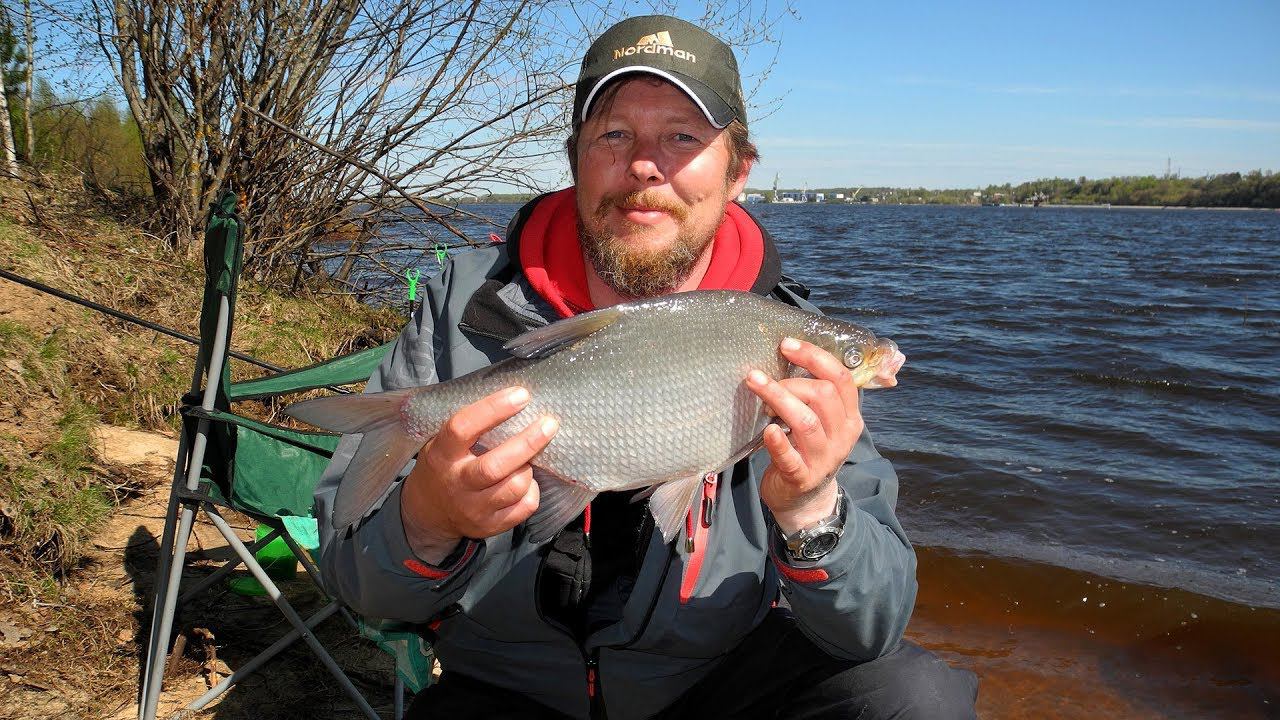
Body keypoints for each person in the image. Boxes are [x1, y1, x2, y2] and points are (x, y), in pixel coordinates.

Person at [315, 14, 977, 720]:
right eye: (614, 134)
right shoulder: (462, 309)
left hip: (717, 689)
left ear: (738, 171)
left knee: (915, 699)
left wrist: (813, 512)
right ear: (576, 158)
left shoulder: (789, 342)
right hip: (510, 689)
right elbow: (358, 587)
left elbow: (871, 628)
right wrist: (430, 518)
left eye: (683, 137)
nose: (645, 165)